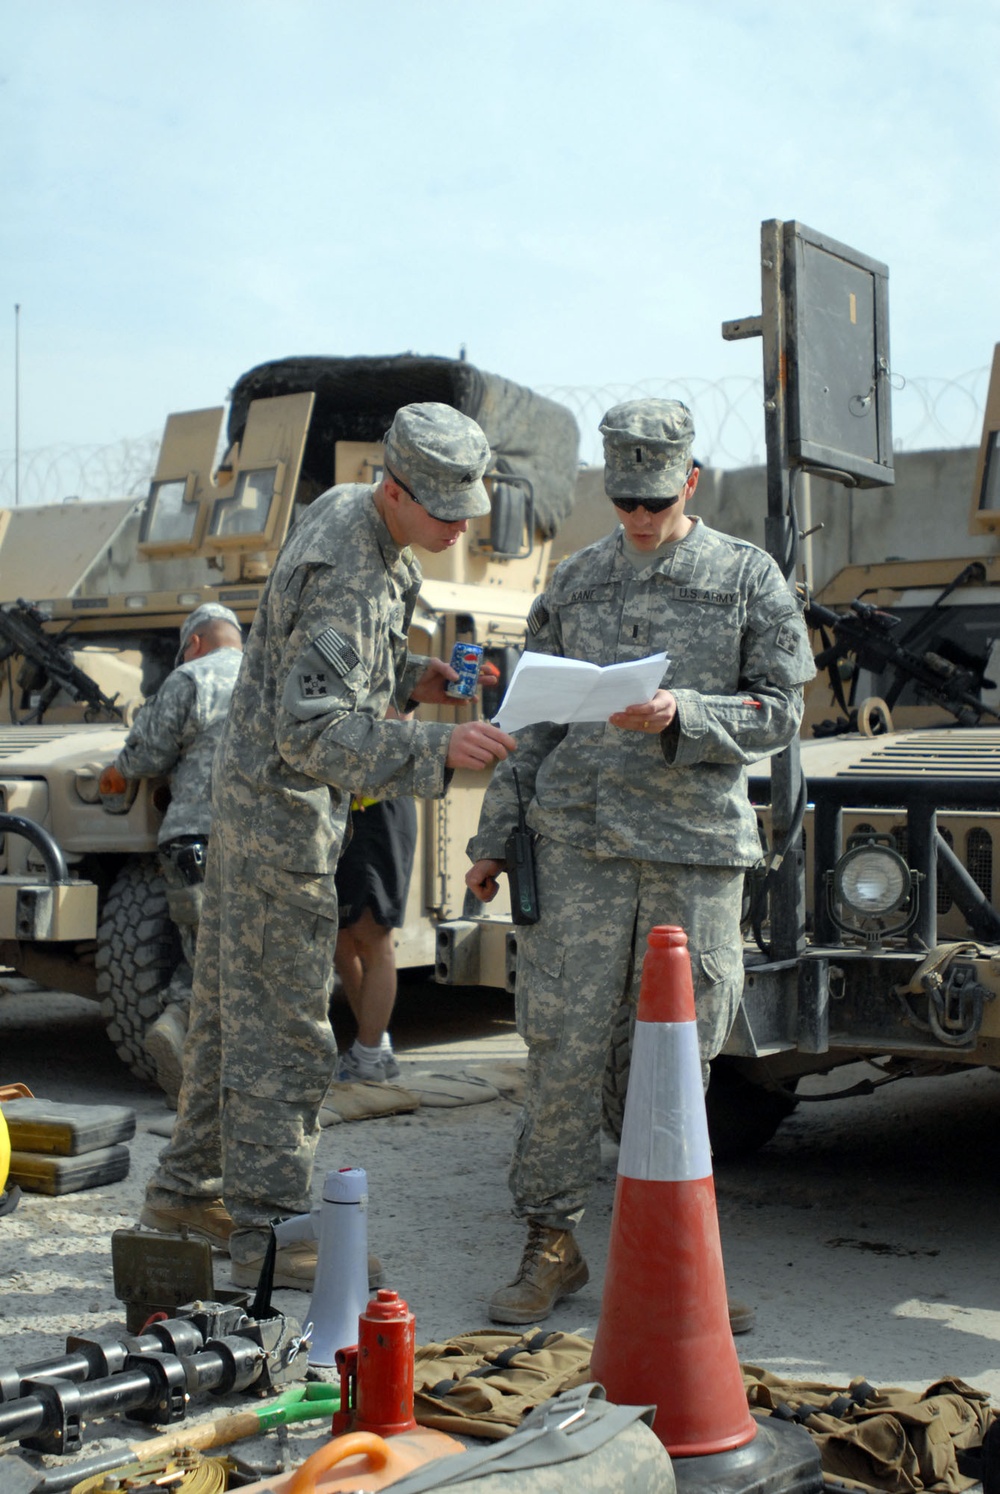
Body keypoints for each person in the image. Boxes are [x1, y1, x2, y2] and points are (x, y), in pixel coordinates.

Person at [140, 401, 518, 1291]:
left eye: (470, 505)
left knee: (233, 1026)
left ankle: (187, 1193)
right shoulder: (352, 562)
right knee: (285, 1037)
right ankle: (273, 1236)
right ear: (394, 489)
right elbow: (310, 733)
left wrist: (406, 676)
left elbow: (322, 668)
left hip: (260, 817)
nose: (461, 525)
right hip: (279, 829)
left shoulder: (362, 521)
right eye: (444, 509)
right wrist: (437, 748)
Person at [465, 397, 815, 1330]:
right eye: (624, 500)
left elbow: (781, 712)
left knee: (676, 1061)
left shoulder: (746, 577)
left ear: (690, 481)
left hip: (691, 854)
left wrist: (685, 714)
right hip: (577, 849)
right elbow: (528, 724)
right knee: (561, 1050)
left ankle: (673, 1259)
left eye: (655, 499)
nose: (640, 517)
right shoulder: (573, 584)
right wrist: (494, 840)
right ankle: (549, 1244)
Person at [102, 603, 244, 1104]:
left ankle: (187, 1051)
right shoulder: (268, 677)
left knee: (206, 950)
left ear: (196, 643)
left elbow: (146, 755)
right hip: (264, 842)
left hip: (193, 842)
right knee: (238, 955)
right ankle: (207, 1064)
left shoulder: (190, 679)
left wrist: (116, 771)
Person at [333, 790, 417, 1082]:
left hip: (376, 812)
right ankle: (377, 1050)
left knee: (371, 936)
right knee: (341, 940)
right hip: (346, 814)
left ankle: (367, 1058)